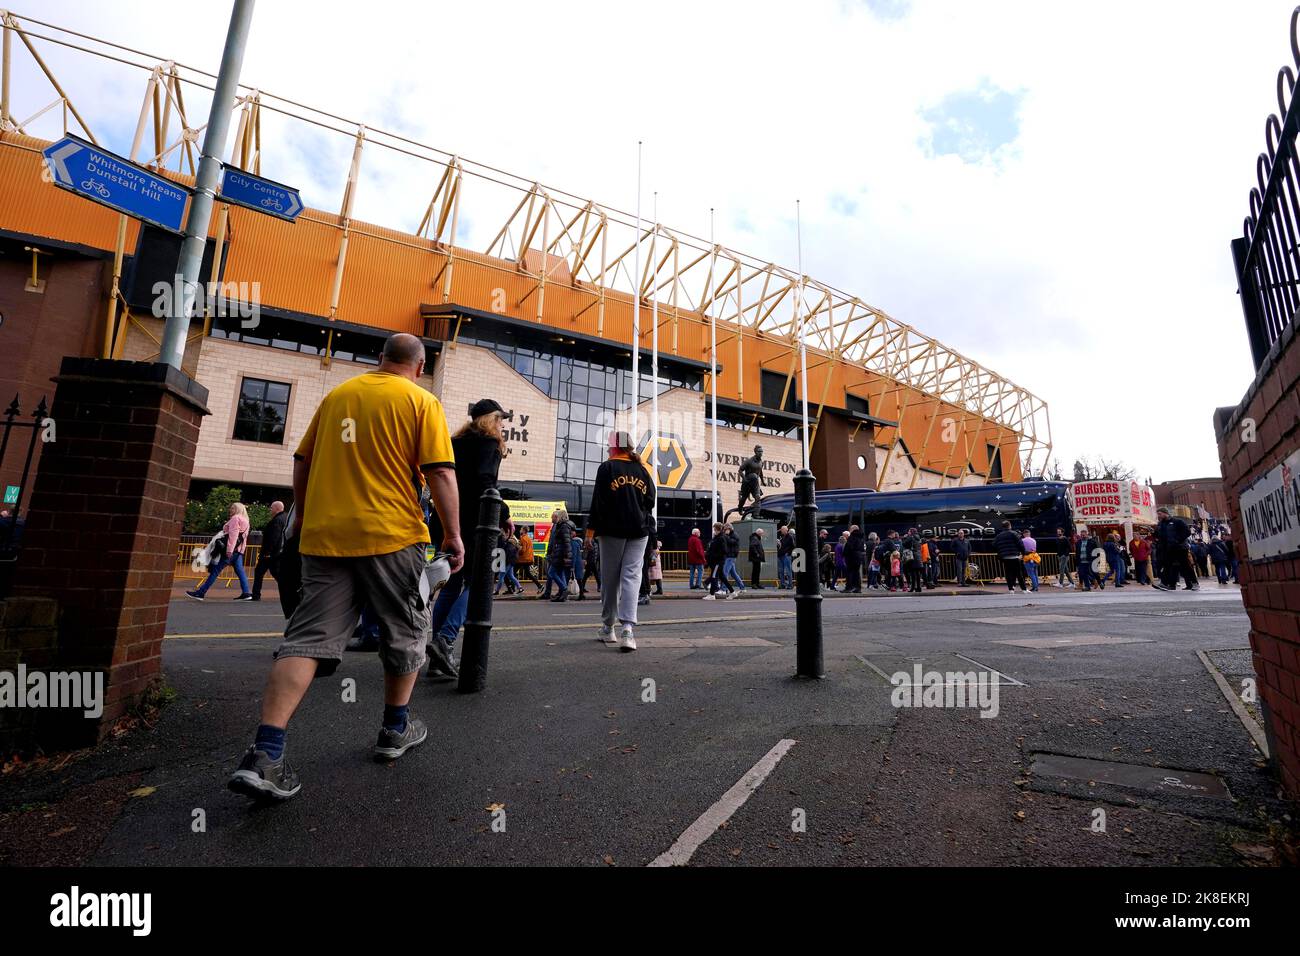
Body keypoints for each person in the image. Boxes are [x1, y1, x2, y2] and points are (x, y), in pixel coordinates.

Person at [227, 332, 462, 802]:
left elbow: (302, 461)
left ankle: (266, 753)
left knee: (306, 640)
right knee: (406, 630)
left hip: (326, 537)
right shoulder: (421, 401)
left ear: (380, 360)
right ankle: (394, 730)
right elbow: (439, 471)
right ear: (419, 366)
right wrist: (453, 536)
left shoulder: (338, 397)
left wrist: (304, 516)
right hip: (392, 535)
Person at [424, 398, 507, 680]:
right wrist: (502, 511)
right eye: (500, 419)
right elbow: (485, 482)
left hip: (445, 520)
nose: (503, 425)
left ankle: (436, 660)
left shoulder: (454, 442)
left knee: (450, 586)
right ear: (492, 420)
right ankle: (445, 640)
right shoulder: (490, 445)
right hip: (473, 523)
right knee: (482, 582)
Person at [589, 430, 655, 651]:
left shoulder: (606, 468)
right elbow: (650, 501)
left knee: (610, 578)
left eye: (609, 446)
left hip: (612, 529)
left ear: (615, 447)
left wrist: (590, 533)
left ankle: (608, 628)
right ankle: (628, 630)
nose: (608, 449)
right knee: (632, 577)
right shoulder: (643, 470)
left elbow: (598, 503)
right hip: (639, 529)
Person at [187, 502, 253, 601]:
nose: (230, 510)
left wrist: (229, 551)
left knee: (215, 571)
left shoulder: (235, 518)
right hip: (238, 551)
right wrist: (240, 551)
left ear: (237, 509)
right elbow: (243, 538)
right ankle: (246, 592)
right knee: (240, 572)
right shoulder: (246, 521)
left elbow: (233, 536)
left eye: (232, 508)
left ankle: (201, 593)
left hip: (230, 551)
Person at [251, 501, 287, 602]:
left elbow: (273, 538)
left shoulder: (276, 520)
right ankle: (287, 593)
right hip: (278, 553)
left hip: (271, 554)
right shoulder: (285, 518)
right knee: (275, 573)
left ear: (276, 508)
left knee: (260, 572)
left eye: (271, 508)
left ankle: (256, 595)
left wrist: (267, 552)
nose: (270, 510)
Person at [1154, 507, 1196, 591]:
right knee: (1167, 566)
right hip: (1169, 549)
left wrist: (1178, 540)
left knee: (1186, 566)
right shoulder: (1161, 524)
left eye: (1160, 514)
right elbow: (1161, 536)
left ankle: (1195, 583)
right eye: (1158, 514)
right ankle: (1164, 584)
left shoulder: (1177, 521)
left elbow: (1187, 532)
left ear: (1165, 513)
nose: (1159, 516)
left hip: (1180, 548)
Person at [548, 508, 577, 603]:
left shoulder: (563, 526)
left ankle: (564, 589)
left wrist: (567, 556)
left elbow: (566, 542)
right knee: (560, 573)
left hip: (560, 554)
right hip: (559, 553)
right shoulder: (562, 526)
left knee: (551, 573)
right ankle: (561, 594)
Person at [703, 522, 735, 600]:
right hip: (716, 561)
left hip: (717, 562)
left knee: (714, 577)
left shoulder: (721, 538)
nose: (714, 530)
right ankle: (732, 592)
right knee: (722, 577)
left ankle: (712, 594)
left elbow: (724, 550)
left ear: (718, 529)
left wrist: (714, 556)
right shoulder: (717, 537)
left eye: (714, 529)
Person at [994, 520, 1026, 592]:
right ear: (1010, 526)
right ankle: (1024, 589)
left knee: (1008, 573)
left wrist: (1001, 552)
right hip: (1014, 555)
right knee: (1019, 573)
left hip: (1005, 557)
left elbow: (994, 544)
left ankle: (1011, 589)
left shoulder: (999, 536)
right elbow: (1020, 544)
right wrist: (1024, 554)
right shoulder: (1014, 533)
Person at [516, 528, 543, 593]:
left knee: (512, 573)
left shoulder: (523, 538)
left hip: (523, 559)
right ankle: (539, 585)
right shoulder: (528, 538)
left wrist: (518, 549)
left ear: (524, 531)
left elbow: (523, 550)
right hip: (528, 558)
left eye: (521, 529)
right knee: (528, 574)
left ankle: (515, 588)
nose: (520, 530)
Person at [722, 523, 745, 592]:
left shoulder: (734, 535)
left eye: (726, 529)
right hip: (729, 556)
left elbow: (731, 542)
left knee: (725, 572)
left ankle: (723, 589)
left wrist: (726, 535)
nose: (725, 530)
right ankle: (742, 587)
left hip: (731, 556)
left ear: (729, 529)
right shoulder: (729, 535)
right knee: (733, 574)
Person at [901, 527, 923, 594]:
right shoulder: (918, 538)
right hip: (918, 557)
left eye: (909, 531)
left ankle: (913, 587)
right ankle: (919, 587)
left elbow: (904, 544)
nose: (908, 533)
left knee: (912, 573)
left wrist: (905, 538)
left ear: (911, 532)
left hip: (912, 557)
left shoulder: (910, 537)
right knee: (918, 573)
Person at [844, 524, 865, 593]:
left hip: (851, 557)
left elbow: (849, 547)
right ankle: (858, 588)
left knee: (849, 572)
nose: (849, 531)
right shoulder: (861, 537)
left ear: (853, 529)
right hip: (859, 557)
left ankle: (849, 587)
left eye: (850, 529)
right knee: (857, 573)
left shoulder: (852, 537)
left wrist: (844, 554)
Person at [776, 525, 795, 589]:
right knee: (781, 571)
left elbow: (792, 546)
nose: (781, 530)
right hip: (780, 555)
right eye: (781, 529)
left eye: (782, 529)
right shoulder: (782, 537)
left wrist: (788, 553)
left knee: (788, 570)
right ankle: (782, 584)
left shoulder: (790, 537)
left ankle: (790, 585)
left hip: (786, 555)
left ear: (786, 530)